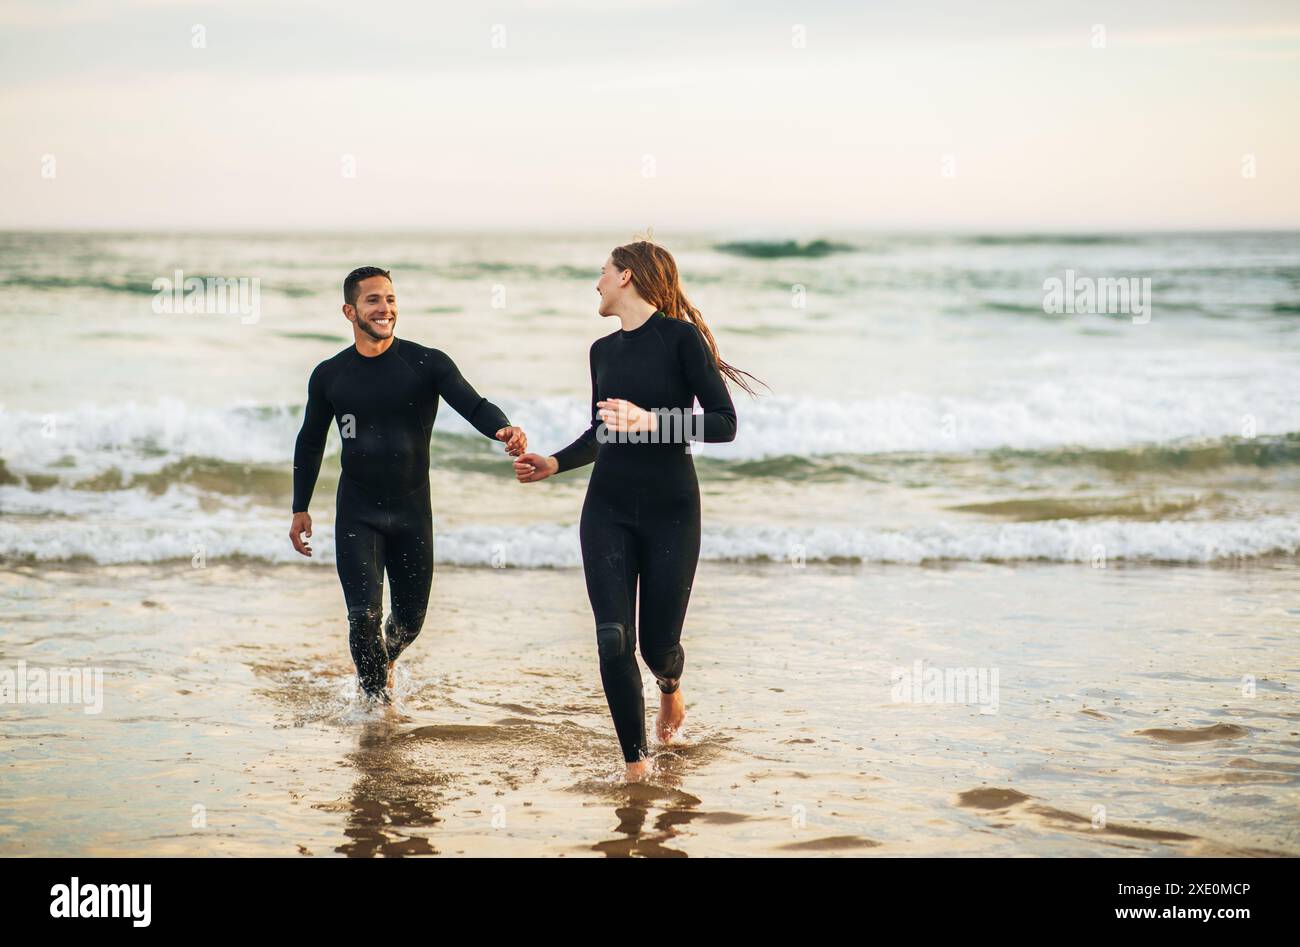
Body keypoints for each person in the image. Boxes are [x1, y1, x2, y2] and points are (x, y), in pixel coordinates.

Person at [514, 241, 762, 780]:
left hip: (672, 510)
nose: (597, 282)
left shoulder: (681, 340)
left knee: (657, 648)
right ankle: (636, 767)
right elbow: (602, 430)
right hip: (607, 509)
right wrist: (554, 462)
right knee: (612, 638)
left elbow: (724, 423)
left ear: (626, 276)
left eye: (603, 272)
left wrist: (650, 421)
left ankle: (670, 687)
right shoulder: (601, 352)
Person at [290, 266, 526, 702]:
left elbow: (474, 404)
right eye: (373, 300)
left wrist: (503, 428)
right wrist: (299, 507)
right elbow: (310, 442)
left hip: (412, 514)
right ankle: (375, 713)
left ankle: (387, 661)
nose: (385, 309)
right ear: (349, 311)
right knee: (362, 616)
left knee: (408, 623)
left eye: (391, 299)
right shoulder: (329, 375)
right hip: (357, 512)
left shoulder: (427, 363)